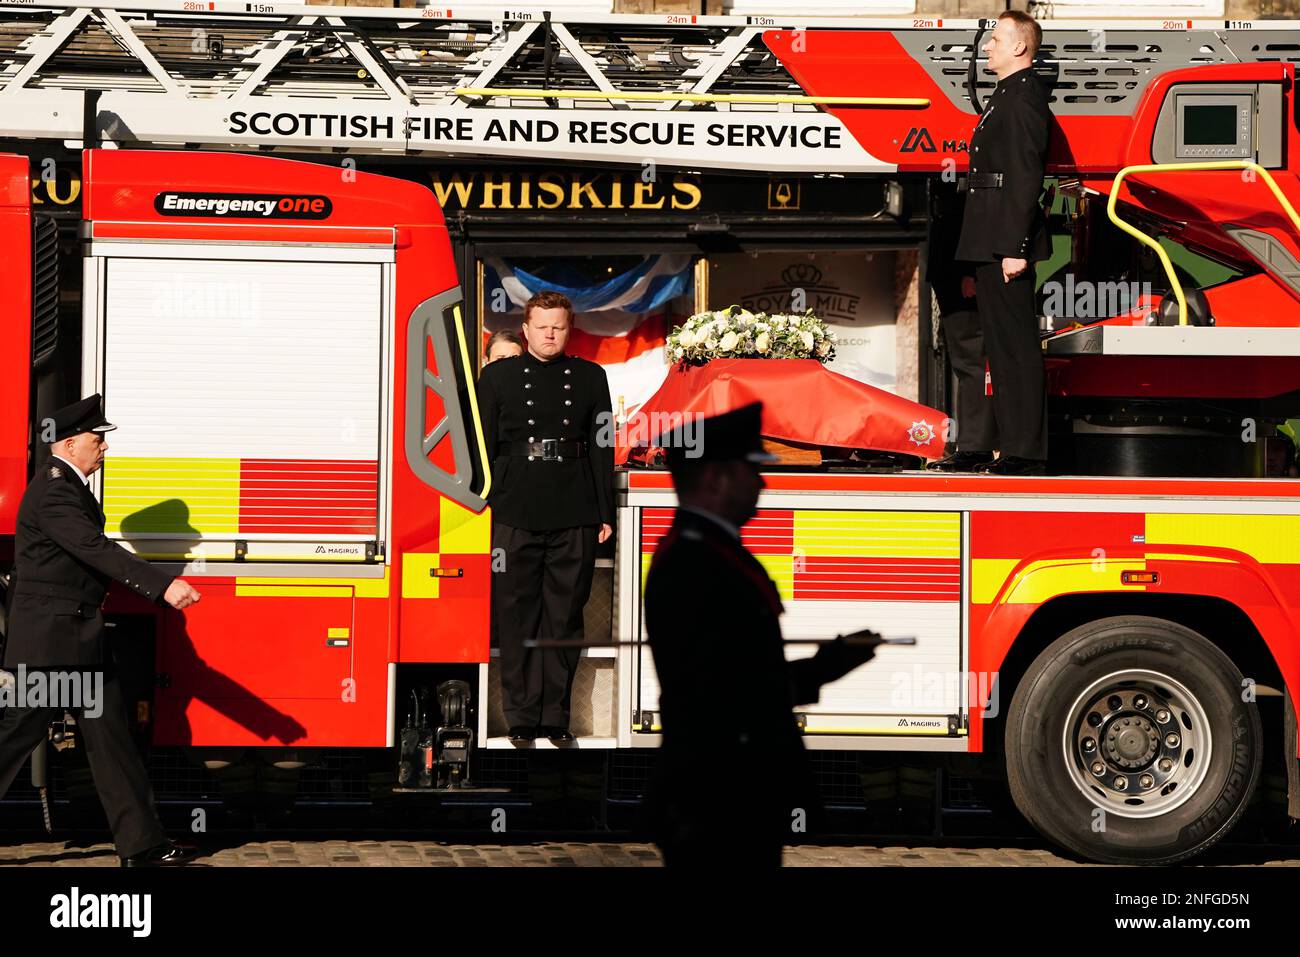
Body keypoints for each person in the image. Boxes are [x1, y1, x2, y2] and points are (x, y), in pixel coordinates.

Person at [643, 402, 879, 867]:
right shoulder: (695, 562)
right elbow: (725, 690)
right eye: (752, 470)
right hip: (718, 791)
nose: (763, 484)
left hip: (729, 788)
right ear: (716, 479)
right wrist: (825, 667)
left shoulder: (709, 550)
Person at [0, 394, 203, 866]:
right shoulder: (54, 490)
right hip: (52, 645)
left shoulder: (64, 487)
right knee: (12, 740)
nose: (104, 448)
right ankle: (144, 844)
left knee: (114, 744)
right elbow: (93, 548)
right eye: (97, 440)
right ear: (70, 444)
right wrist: (162, 586)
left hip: (75, 639)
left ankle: (143, 846)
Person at [476, 291, 614, 744]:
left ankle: (554, 717)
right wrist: (485, 505)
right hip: (514, 508)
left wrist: (603, 511)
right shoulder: (498, 377)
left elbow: (601, 448)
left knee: (564, 617)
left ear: (568, 328)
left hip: (573, 507)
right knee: (516, 616)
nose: (550, 333)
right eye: (542, 326)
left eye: (558, 326)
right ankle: (520, 717)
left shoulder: (592, 377)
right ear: (527, 328)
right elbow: (484, 448)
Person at [954, 10, 1053, 476]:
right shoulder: (1007, 95)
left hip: (1003, 243)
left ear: (1019, 47)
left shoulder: (1024, 96)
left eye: (996, 39)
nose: (987, 47)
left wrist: (1015, 246)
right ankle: (1011, 447)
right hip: (991, 238)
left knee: (1015, 349)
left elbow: (1024, 174)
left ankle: (1025, 453)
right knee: (1001, 347)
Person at [926, 179, 997, 471]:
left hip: (961, 269)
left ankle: (975, 446)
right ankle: (972, 444)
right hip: (949, 266)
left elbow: (977, 215)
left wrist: (970, 271)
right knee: (966, 361)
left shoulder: (972, 164)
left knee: (972, 361)